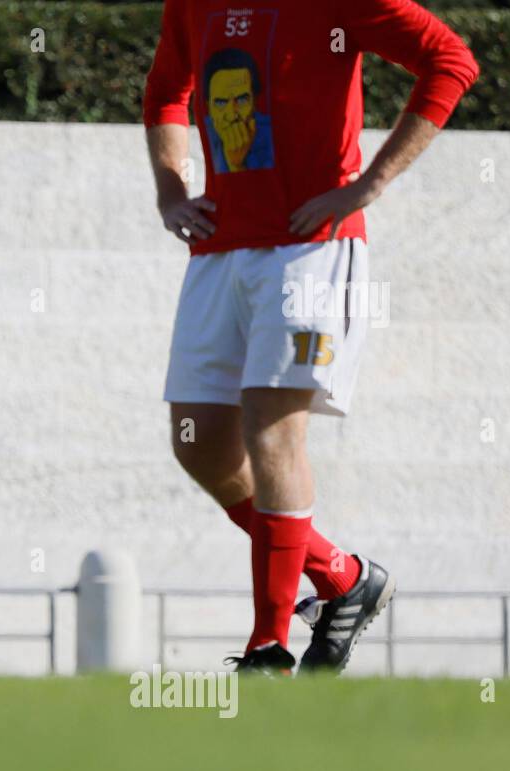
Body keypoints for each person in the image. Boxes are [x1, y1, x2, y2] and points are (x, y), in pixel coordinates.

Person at [143, 0, 479, 674]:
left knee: (271, 430)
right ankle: (342, 575)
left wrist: (370, 183)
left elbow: (451, 62)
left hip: (310, 250)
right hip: (217, 249)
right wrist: (170, 190)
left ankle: (268, 645)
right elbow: (165, 93)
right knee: (200, 441)